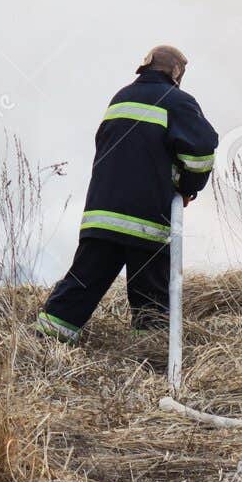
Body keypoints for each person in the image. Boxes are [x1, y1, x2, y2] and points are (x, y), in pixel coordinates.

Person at [35, 45, 218, 344]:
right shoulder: (178, 102)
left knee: (81, 285)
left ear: (144, 67)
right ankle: (152, 357)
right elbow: (200, 153)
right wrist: (187, 189)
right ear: (176, 73)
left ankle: (44, 346)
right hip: (146, 220)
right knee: (151, 299)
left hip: (102, 217)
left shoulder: (120, 97)